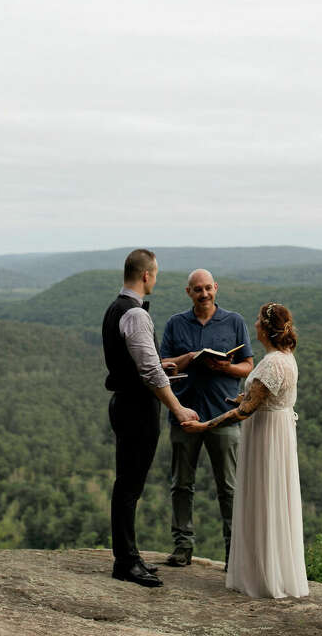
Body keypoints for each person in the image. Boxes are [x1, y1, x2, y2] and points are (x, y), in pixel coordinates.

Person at [181, 302, 308, 599]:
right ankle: (272, 569)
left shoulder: (273, 363)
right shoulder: (285, 358)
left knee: (263, 496)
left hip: (267, 435)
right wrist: (241, 399)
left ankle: (262, 576)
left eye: (257, 322)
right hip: (276, 430)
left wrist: (204, 426)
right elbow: (258, 398)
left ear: (265, 328)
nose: (254, 325)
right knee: (273, 497)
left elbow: (246, 412)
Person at [102, 248, 198, 587]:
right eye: (155, 274)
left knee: (127, 483)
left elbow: (143, 364)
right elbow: (150, 375)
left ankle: (129, 556)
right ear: (146, 276)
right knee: (129, 486)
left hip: (124, 403)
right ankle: (126, 562)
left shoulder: (116, 307)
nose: (155, 280)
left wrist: (165, 364)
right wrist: (178, 408)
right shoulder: (136, 314)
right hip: (137, 409)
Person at [158, 269, 254, 566]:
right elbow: (160, 364)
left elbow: (249, 365)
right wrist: (188, 357)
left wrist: (225, 368)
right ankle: (182, 547)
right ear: (189, 292)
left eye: (208, 288)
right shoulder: (175, 324)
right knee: (181, 484)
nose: (204, 294)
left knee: (229, 488)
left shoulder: (234, 321)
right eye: (197, 289)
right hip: (185, 413)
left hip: (224, 416)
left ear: (216, 288)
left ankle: (233, 552)